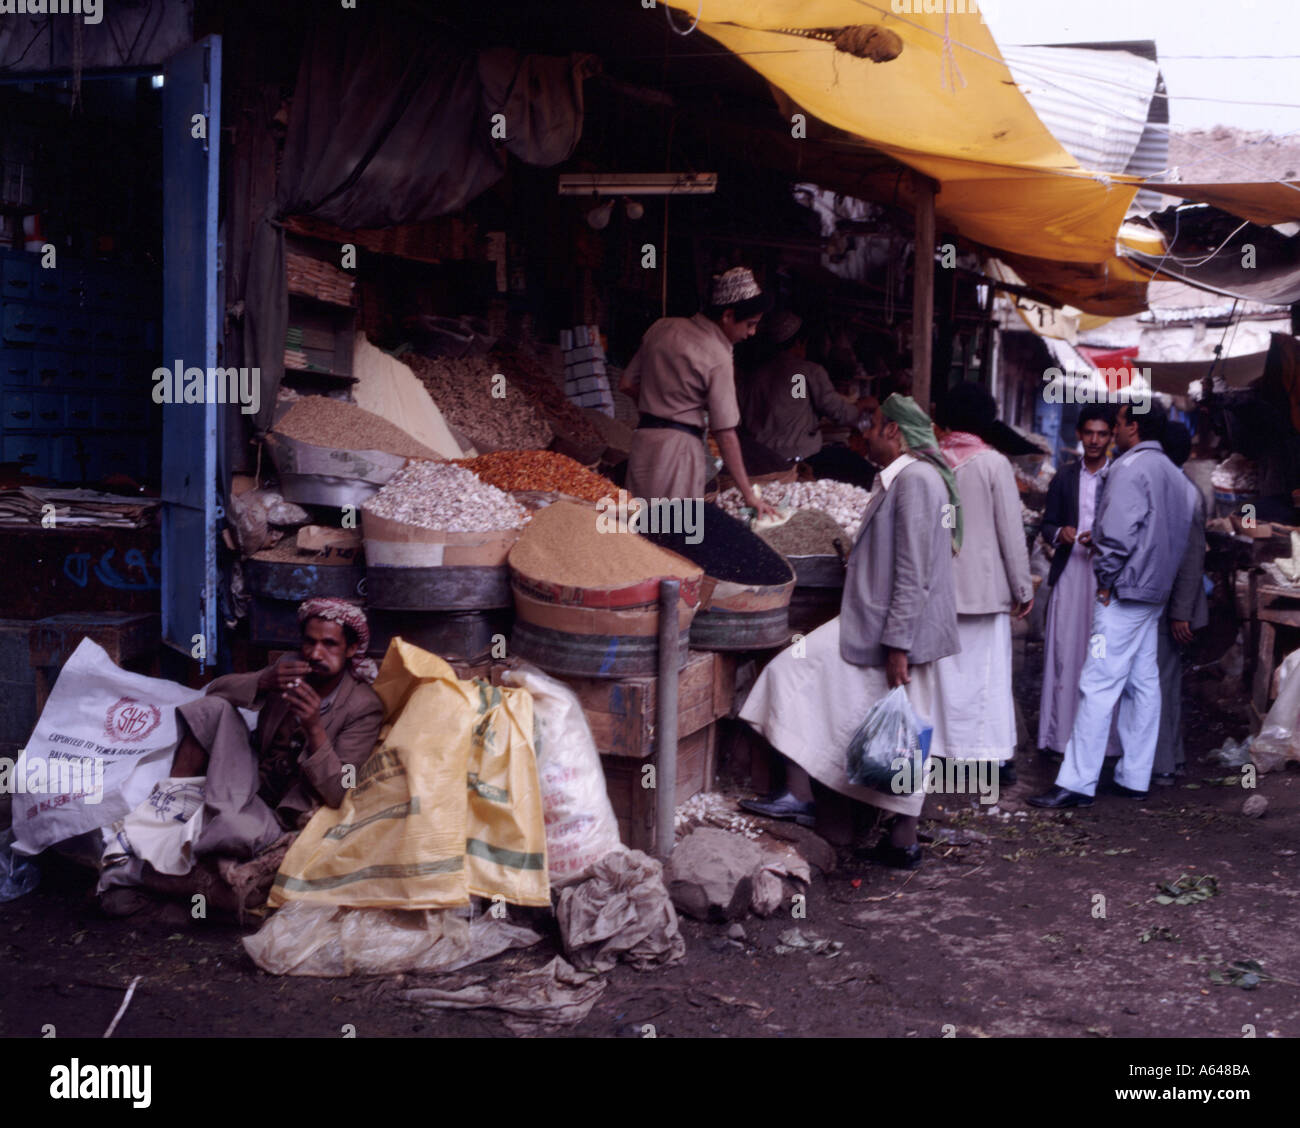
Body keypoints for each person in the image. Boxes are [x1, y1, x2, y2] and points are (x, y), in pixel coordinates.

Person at [737, 394, 960, 869]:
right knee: (900, 728)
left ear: (895, 433)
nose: (867, 433)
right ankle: (901, 840)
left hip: (890, 628)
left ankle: (804, 798)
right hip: (885, 622)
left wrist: (898, 643)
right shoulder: (906, 478)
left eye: (875, 425)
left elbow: (914, 569)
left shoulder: (916, 481)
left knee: (789, 675)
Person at [99, 599, 385, 916]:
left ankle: (143, 875)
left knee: (234, 843)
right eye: (310, 641)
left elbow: (341, 788)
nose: (315, 654)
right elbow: (214, 692)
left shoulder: (362, 706)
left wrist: (315, 728)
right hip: (247, 782)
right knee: (213, 711)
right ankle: (168, 815)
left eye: (329, 644)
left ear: (351, 649)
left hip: (281, 815)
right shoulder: (291, 668)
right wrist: (263, 681)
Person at [1029, 400, 1195, 808]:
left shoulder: (1127, 469)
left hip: (1122, 593)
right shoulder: (1177, 479)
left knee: (1098, 682)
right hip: (1153, 594)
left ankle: (1077, 783)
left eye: (1117, 424)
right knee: (1143, 684)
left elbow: (1117, 536)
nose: (1112, 432)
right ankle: (1135, 777)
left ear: (1132, 428)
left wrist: (1105, 581)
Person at [932, 383, 1034, 786]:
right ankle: (989, 758)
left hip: (939, 589)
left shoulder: (930, 461)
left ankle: (944, 754)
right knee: (986, 677)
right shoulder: (994, 464)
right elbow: (1011, 532)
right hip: (985, 592)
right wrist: (1022, 588)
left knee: (944, 677)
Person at [620, 267, 778, 518]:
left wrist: (659, 406)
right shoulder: (718, 354)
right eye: (750, 324)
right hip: (679, 453)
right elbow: (724, 433)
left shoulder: (660, 328)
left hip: (643, 443)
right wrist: (749, 494)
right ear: (728, 315)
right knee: (671, 537)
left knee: (636, 532)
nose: (751, 333)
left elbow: (626, 383)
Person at [1037, 405, 1115, 756]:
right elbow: (1047, 524)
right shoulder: (1065, 477)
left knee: (1099, 655)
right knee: (1065, 652)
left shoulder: (1118, 477)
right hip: (1070, 571)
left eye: (1102, 433)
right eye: (1089, 433)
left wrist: (1104, 539)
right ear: (1079, 435)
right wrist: (1061, 534)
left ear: (1111, 437)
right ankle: (1059, 737)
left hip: (1105, 576)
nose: (1094, 440)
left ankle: (1102, 743)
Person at [738, 311, 875, 489]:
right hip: (797, 460)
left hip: (760, 461)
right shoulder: (799, 374)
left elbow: (793, 403)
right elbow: (835, 411)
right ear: (799, 342)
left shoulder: (752, 376)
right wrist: (860, 407)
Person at [1146, 422, 1208, 783]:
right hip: (1169, 604)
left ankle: (1163, 763)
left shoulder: (1183, 492)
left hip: (1172, 607)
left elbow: (1192, 556)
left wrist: (1181, 613)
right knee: (1163, 681)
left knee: (1161, 682)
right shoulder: (1182, 487)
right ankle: (1173, 757)